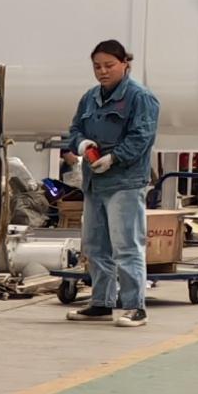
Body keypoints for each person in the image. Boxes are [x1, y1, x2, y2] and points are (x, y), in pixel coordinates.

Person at [64, 39, 160, 324]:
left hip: (124, 182)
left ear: (124, 64)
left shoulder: (140, 97)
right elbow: (75, 129)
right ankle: (101, 302)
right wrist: (82, 144)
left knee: (126, 246)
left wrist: (114, 158)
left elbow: (141, 138)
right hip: (94, 183)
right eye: (97, 67)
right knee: (95, 246)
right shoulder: (90, 97)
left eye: (109, 65)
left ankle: (135, 306)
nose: (103, 71)